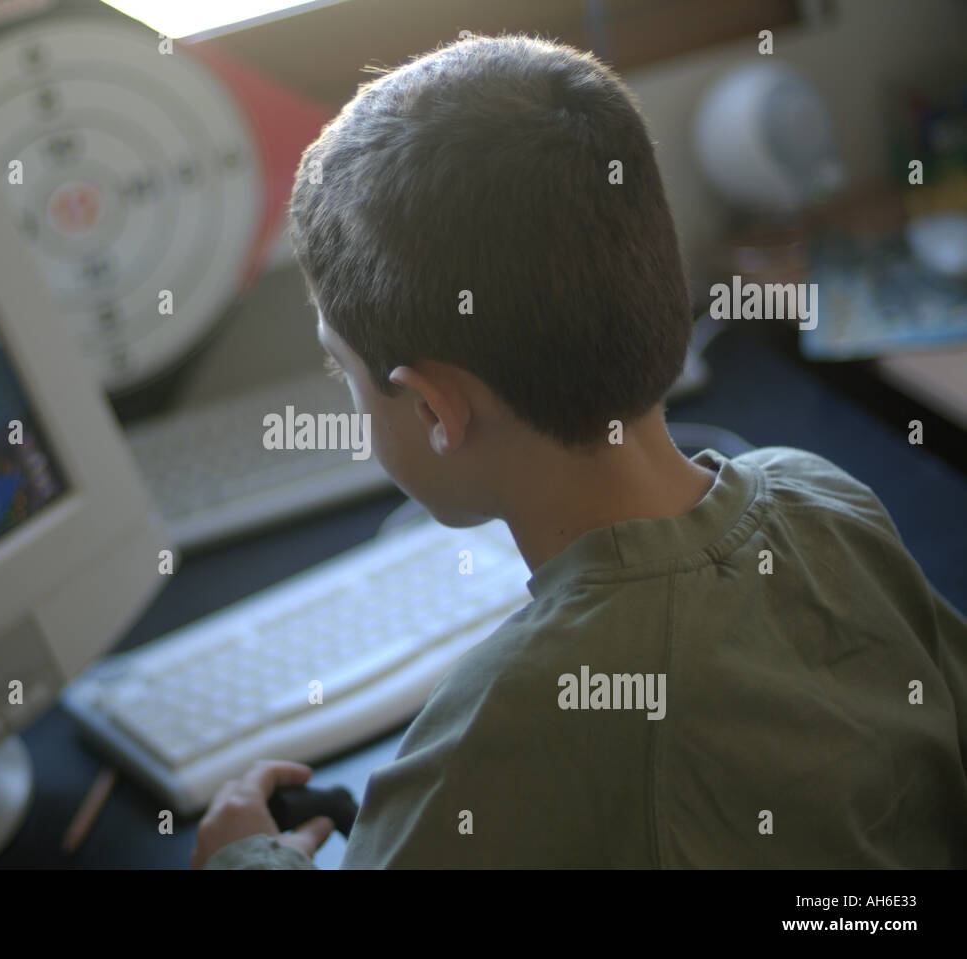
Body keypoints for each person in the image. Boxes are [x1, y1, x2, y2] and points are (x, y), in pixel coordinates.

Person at [190, 33, 967, 869]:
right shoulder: (827, 502)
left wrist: (247, 859)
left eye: (338, 365)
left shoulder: (510, 723)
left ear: (433, 408)